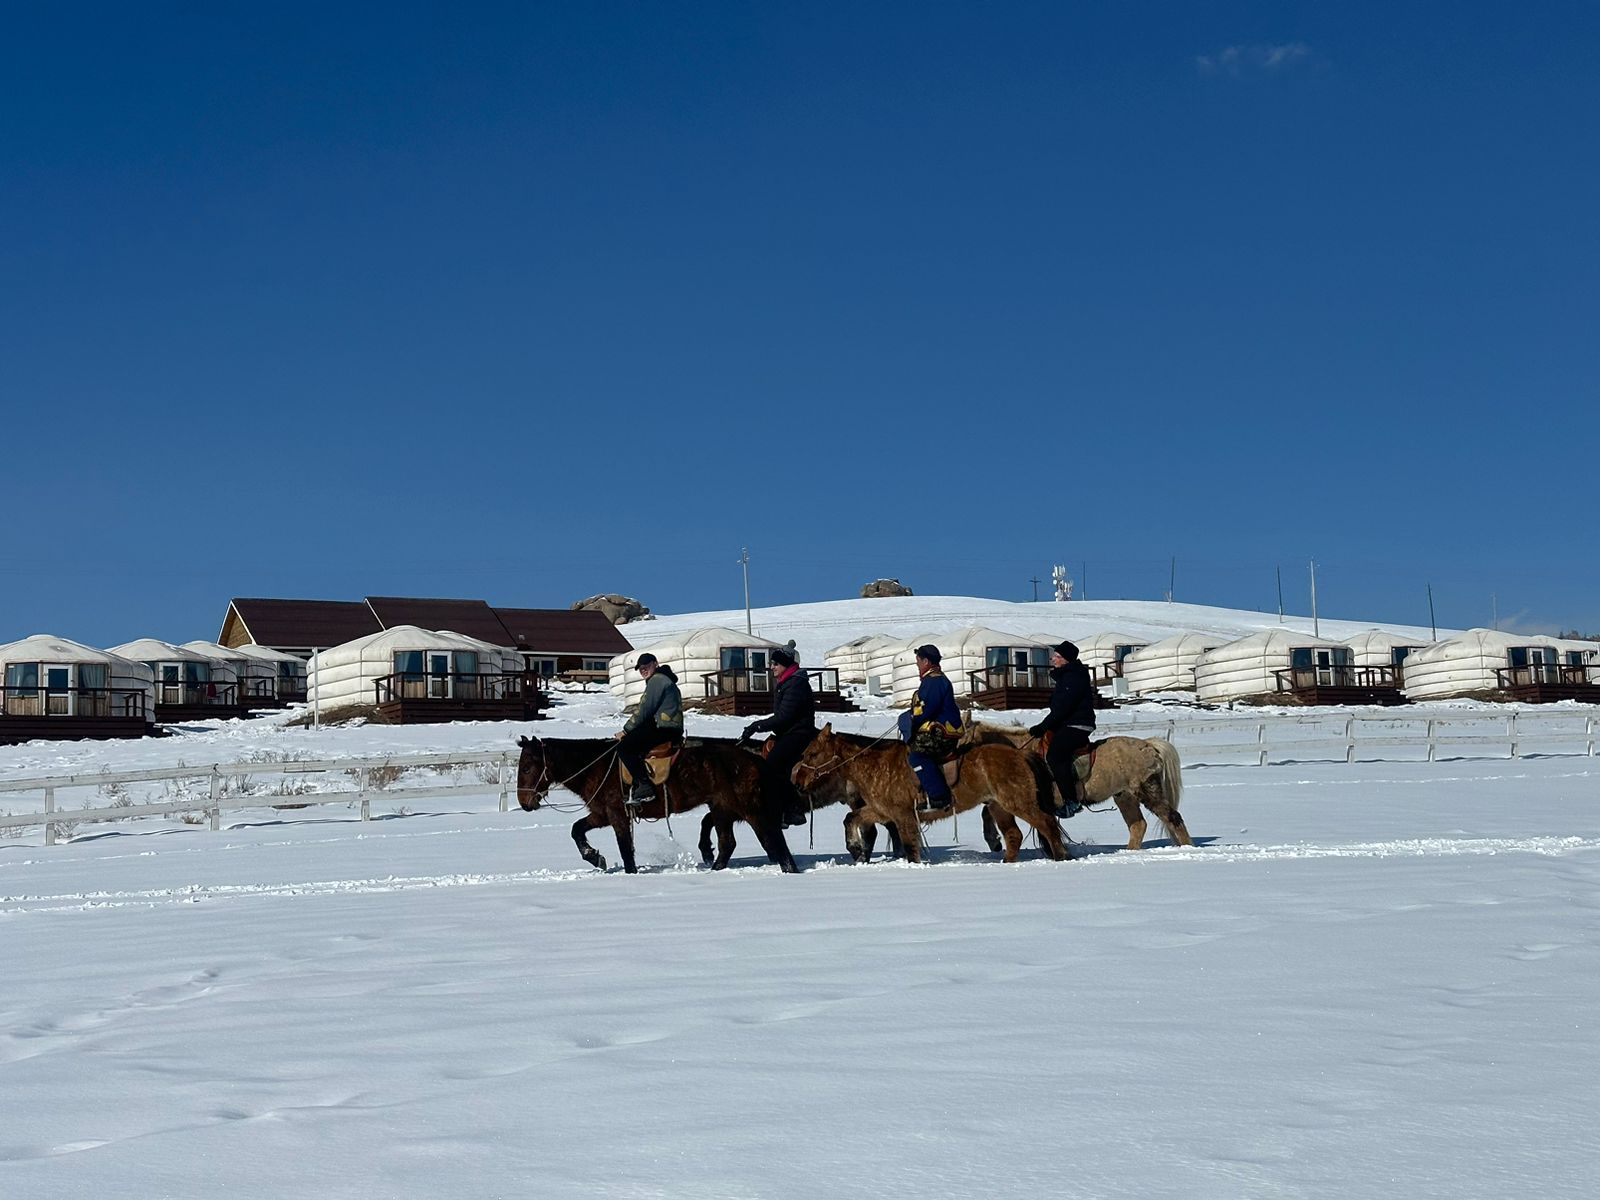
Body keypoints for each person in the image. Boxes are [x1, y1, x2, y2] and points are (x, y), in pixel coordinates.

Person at [740, 646, 816, 827]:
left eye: (776, 663)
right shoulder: (787, 682)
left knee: (773, 764)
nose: (772, 667)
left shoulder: (796, 684)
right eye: (772, 663)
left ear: (785, 665)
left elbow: (784, 716)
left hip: (799, 732)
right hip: (789, 731)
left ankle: (792, 809)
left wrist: (757, 726)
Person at [1029, 640, 1096, 816]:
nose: (1053, 659)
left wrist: (1043, 726)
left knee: (1055, 755)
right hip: (1068, 723)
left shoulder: (1073, 677)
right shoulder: (1067, 676)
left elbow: (1063, 707)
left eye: (1057, 656)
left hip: (1077, 724)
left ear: (1066, 659)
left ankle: (1071, 801)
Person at [898, 643, 963, 812]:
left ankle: (939, 797)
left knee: (917, 757)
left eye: (918, 661)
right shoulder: (934, 679)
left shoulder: (934, 681)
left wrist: (911, 719)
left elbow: (926, 709)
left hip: (942, 733)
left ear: (926, 661)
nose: (917, 665)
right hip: (939, 730)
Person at [616, 653, 684, 805]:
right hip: (669, 727)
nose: (643, 670)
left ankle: (644, 785)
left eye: (646, 666)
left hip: (664, 728)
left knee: (624, 748)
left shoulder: (658, 680)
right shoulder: (664, 679)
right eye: (640, 668)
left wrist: (626, 730)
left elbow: (645, 709)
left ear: (655, 663)